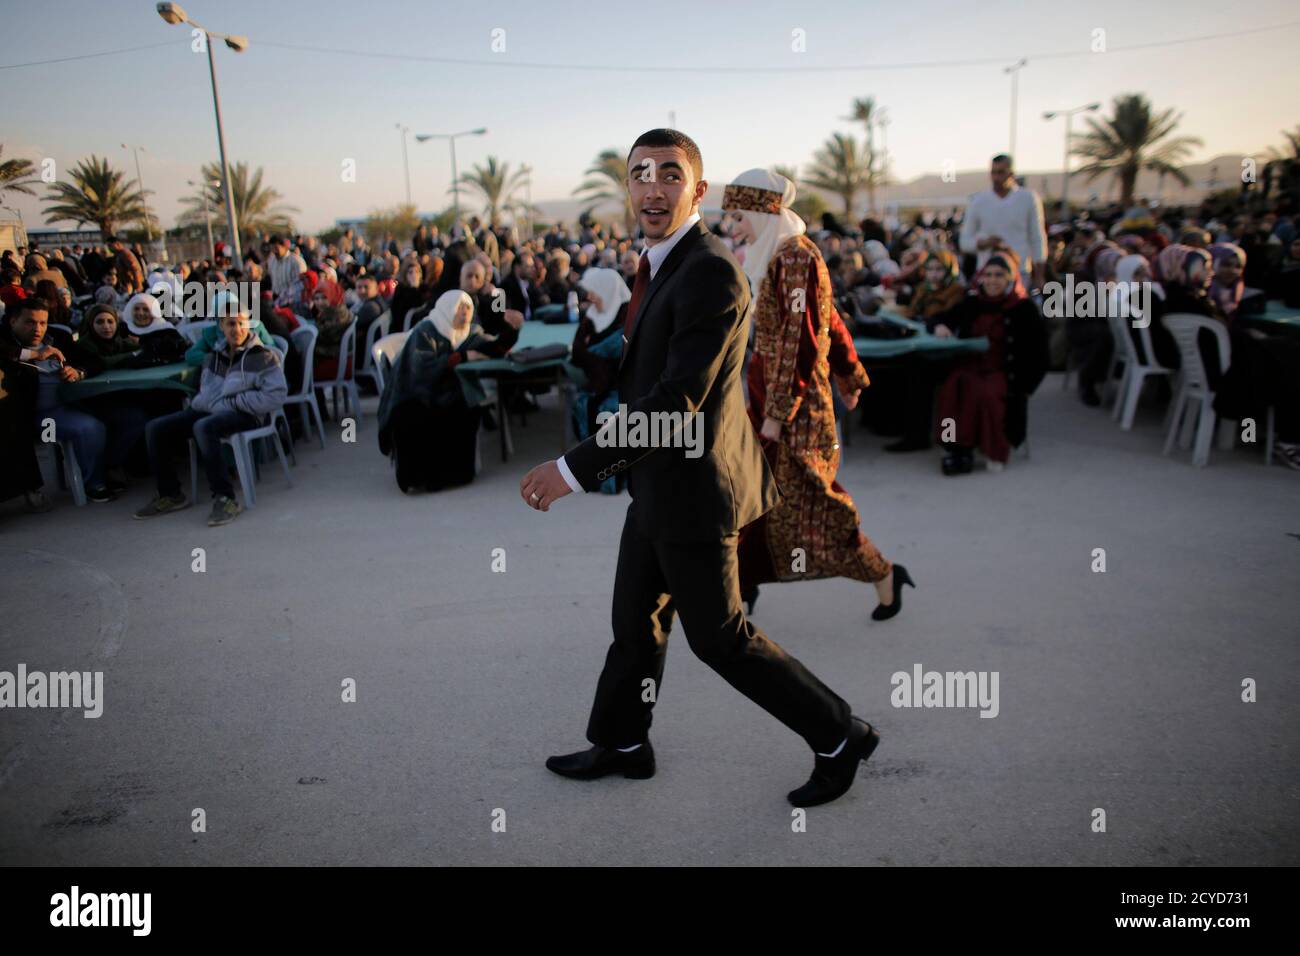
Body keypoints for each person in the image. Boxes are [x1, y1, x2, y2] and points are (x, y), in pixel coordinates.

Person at [519, 129, 880, 808]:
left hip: (694, 490)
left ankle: (840, 734)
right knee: (635, 624)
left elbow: (677, 401)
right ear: (627, 187)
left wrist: (573, 469)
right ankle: (625, 742)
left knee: (721, 641)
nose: (652, 187)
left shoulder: (709, 268)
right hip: (655, 483)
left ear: (698, 190)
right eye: (639, 174)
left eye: (669, 174)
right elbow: (639, 356)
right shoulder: (658, 263)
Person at [722, 168, 911, 623]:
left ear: (764, 210)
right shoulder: (778, 254)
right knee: (751, 497)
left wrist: (777, 413)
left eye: (739, 215)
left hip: (794, 412)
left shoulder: (795, 257)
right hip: (768, 401)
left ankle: (883, 573)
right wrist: (852, 375)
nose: (734, 227)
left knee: (816, 505)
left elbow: (801, 340)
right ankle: (741, 589)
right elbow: (832, 322)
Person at [134, 306, 288, 526]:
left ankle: (225, 498)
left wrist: (234, 403)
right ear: (221, 328)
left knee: (204, 427)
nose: (237, 328)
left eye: (241, 322)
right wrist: (202, 404)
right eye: (230, 324)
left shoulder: (263, 356)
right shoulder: (213, 357)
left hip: (246, 414)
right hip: (210, 410)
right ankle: (170, 494)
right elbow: (206, 390)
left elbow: (276, 396)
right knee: (156, 428)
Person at [376, 290, 514, 492]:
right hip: (413, 392)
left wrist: (512, 329)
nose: (464, 313)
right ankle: (415, 479)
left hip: (448, 390)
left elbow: (492, 348)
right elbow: (420, 368)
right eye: (460, 308)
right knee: (410, 416)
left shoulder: (470, 333)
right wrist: (462, 357)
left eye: (468, 308)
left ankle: (452, 477)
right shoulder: (426, 330)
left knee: (467, 409)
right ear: (447, 309)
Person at [930, 248, 1048, 474]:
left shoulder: (1023, 308)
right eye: (988, 275)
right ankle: (953, 446)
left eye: (999, 275)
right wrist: (940, 325)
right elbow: (940, 318)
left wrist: (1026, 386)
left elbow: (1039, 353)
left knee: (984, 394)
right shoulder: (972, 303)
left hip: (1002, 371)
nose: (992, 280)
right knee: (951, 391)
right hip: (968, 365)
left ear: (1010, 279)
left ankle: (990, 448)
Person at [2, 298, 122, 501]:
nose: (37, 329)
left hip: (69, 405)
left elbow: (93, 361)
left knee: (124, 416)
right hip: (33, 418)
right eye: (30, 322)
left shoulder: (59, 337)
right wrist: (34, 354)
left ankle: (111, 469)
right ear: (13, 321)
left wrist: (78, 372)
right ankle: (95, 484)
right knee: (89, 428)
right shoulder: (5, 341)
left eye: (42, 323)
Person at [568, 267, 631, 494]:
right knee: (582, 404)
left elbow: (618, 350)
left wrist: (591, 352)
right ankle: (587, 475)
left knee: (609, 411)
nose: (590, 297)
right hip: (598, 383)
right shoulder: (592, 316)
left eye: (595, 291)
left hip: (623, 383)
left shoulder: (628, 315)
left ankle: (611, 479)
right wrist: (594, 354)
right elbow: (577, 351)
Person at [959, 154, 1048, 290]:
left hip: (1019, 272)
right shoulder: (978, 201)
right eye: (993, 173)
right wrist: (984, 243)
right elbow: (965, 242)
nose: (996, 178)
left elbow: (1037, 237)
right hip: (987, 273)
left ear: (1011, 173)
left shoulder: (1028, 198)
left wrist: (1040, 274)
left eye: (1001, 172)